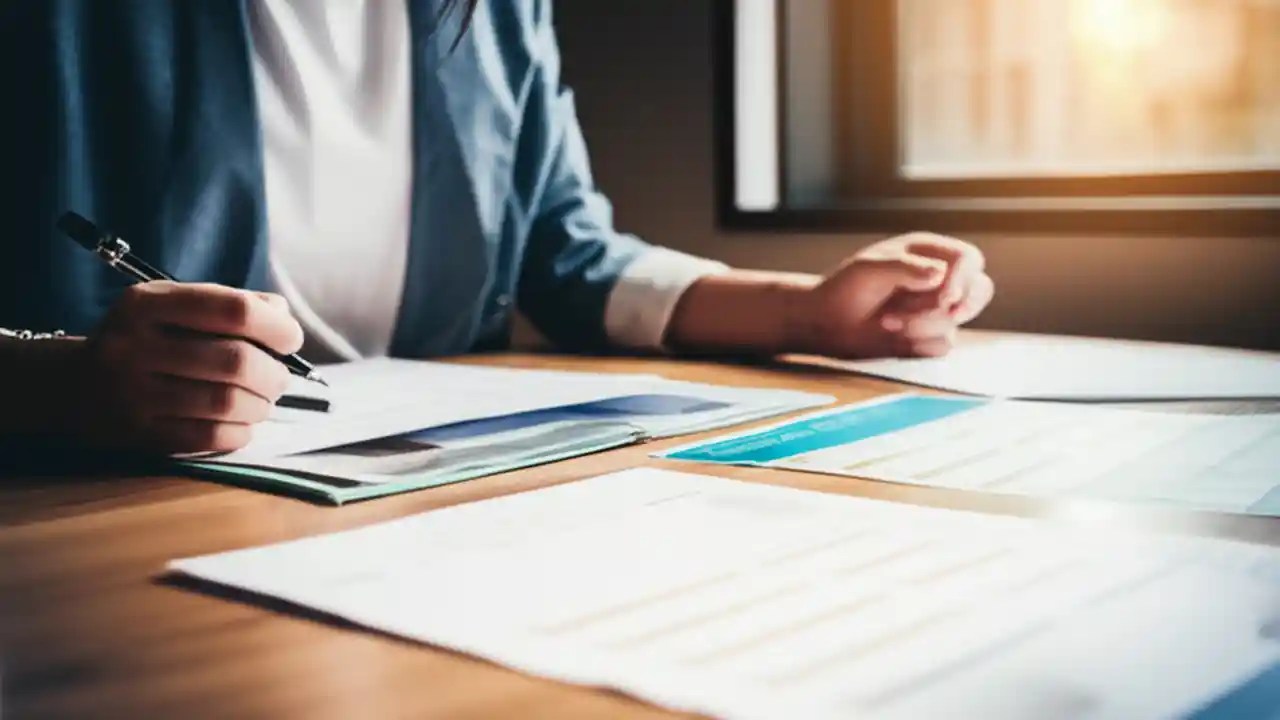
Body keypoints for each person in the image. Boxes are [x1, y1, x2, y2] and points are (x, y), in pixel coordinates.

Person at [0, 0, 993, 454]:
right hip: (96, 517)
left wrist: (808, 313)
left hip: (415, 499)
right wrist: (62, 382)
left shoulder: (498, 12)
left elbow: (565, 253)